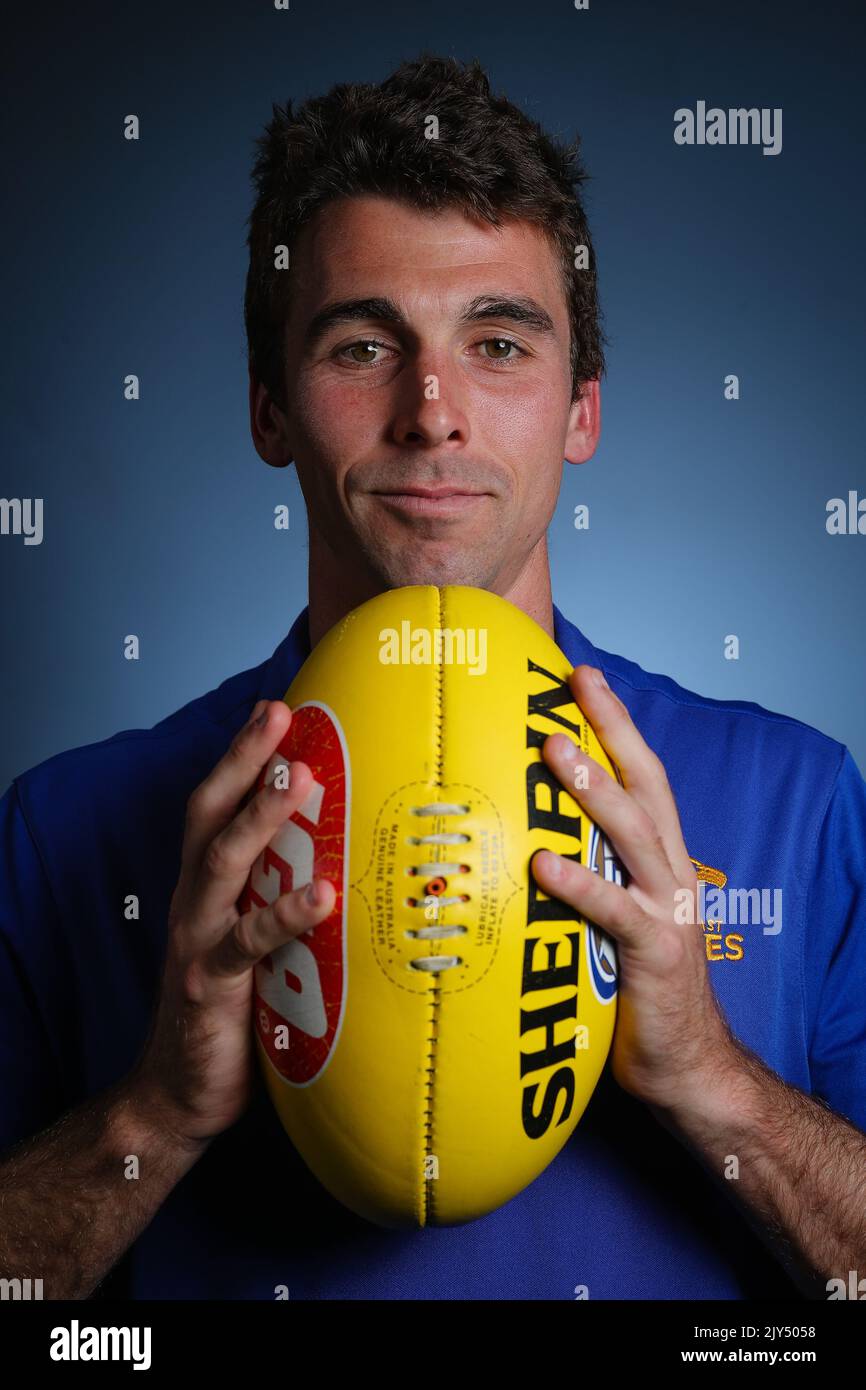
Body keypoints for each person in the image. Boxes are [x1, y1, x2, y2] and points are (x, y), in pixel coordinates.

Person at [1, 53, 864, 1302]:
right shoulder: (65, 832)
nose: (433, 411)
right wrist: (155, 1119)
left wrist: (714, 1085)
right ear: (267, 407)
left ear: (581, 408)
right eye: (361, 345)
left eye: (499, 341)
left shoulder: (795, 797)